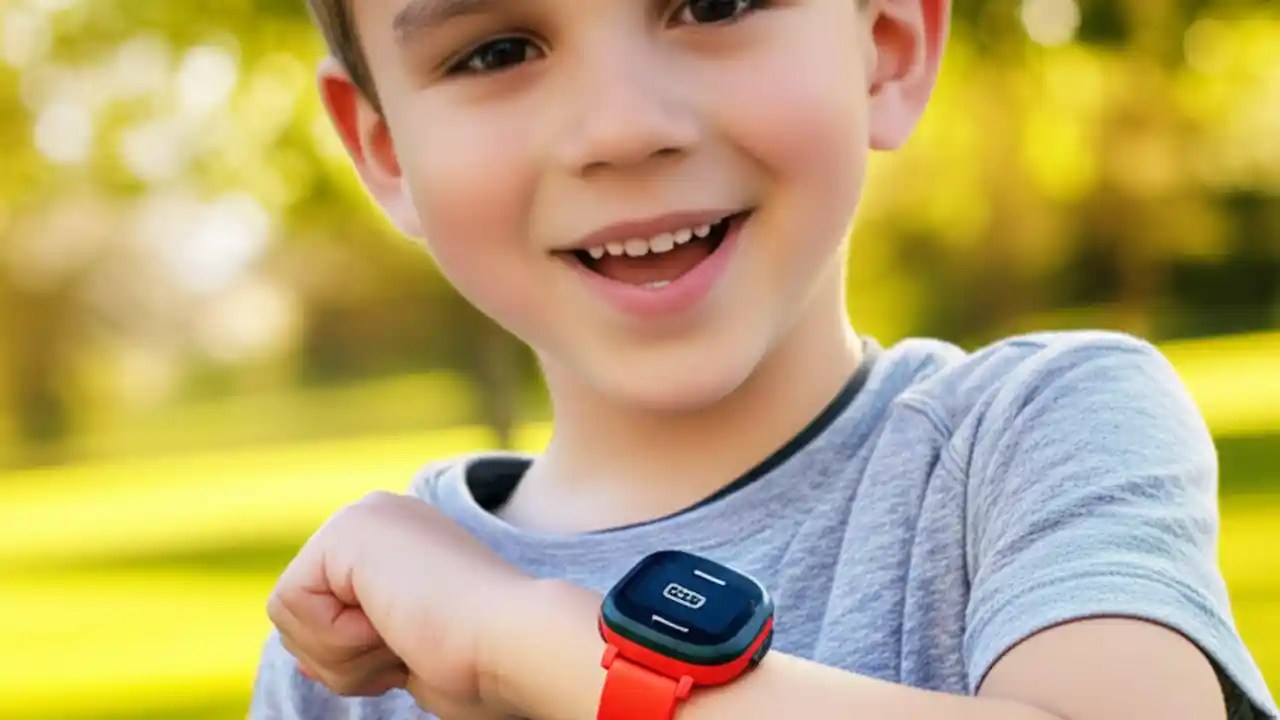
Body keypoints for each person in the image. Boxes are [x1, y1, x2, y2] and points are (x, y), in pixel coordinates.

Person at [251, 0, 1278, 718]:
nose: (621, 129)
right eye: (494, 51)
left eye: (713, 0)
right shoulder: (348, 648)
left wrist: (517, 643)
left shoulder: (1036, 432)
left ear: (884, 47)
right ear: (384, 150)